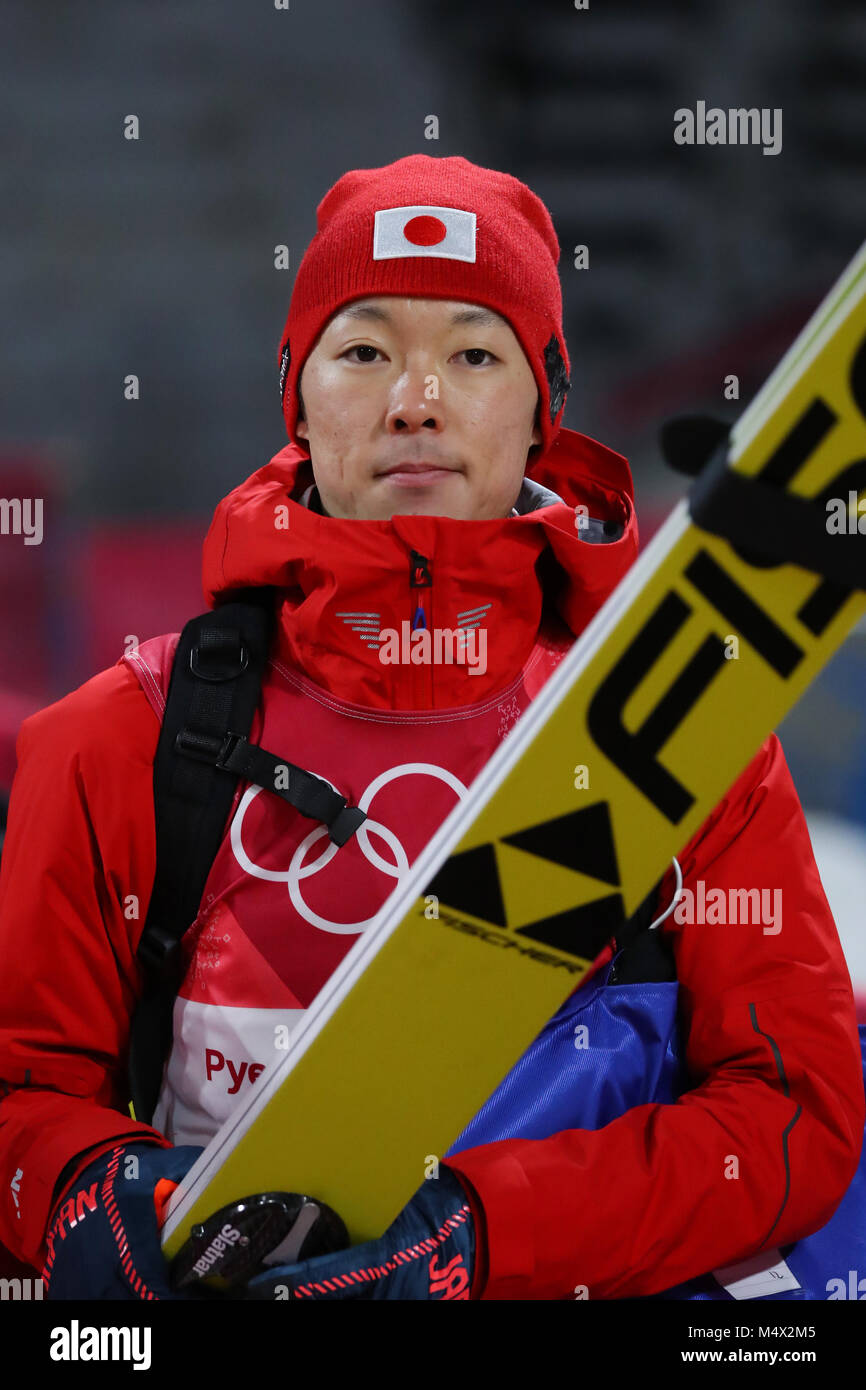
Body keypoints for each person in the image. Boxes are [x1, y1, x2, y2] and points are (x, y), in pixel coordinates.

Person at [0, 155, 862, 1302]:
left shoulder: (692, 741)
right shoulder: (120, 739)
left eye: (473, 352)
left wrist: (477, 1240)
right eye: (362, 351)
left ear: (541, 403)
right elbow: (22, 1092)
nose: (417, 401)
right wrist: (88, 1202)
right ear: (295, 395)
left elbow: (790, 1119)